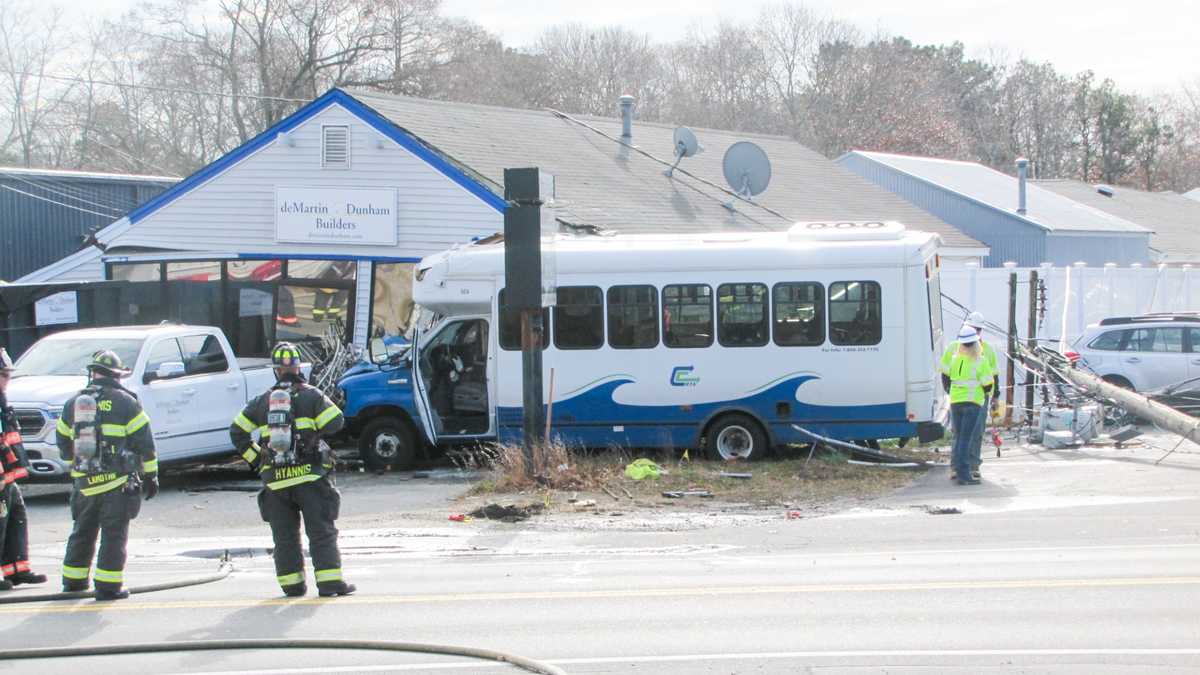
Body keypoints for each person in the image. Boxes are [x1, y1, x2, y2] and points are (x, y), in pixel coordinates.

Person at [230, 342, 354, 598]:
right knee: (321, 532)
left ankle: (292, 585)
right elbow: (337, 421)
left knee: (285, 538)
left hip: (276, 482)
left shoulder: (262, 401)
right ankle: (330, 583)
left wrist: (257, 459)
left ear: (275, 371)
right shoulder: (311, 395)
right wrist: (315, 429)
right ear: (298, 366)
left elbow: (237, 431)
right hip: (310, 478)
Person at [55, 350, 158, 601]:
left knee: (82, 531)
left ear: (93, 373)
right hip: (116, 483)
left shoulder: (73, 403)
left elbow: (62, 441)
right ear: (117, 375)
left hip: (85, 484)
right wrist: (152, 475)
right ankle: (108, 586)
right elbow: (144, 442)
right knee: (113, 535)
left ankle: (74, 581)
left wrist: (75, 470)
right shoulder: (126, 402)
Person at [0, 349, 48, 590]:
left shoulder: (1, 400)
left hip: (7, 476)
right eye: (4, 375)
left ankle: (17, 569)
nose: (8, 380)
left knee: (16, 517)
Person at [940, 311, 1000, 480]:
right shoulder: (954, 348)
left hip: (978, 398)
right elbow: (945, 374)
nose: (977, 332)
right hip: (964, 398)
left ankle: (972, 466)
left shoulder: (987, 350)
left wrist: (994, 396)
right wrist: (950, 390)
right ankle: (958, 467)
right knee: (961, 434)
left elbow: (994, 376)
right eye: (975, 328)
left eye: (979, 329)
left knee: (975, 433)